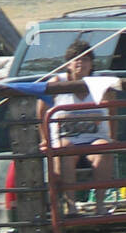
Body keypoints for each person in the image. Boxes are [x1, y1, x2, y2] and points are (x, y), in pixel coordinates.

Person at [38, 40, 116, 214]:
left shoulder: (99, 84)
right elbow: (41, 109)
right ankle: (71, 205)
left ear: (92, 63)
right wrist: (45, 139)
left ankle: (100, 204)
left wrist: (112, 136)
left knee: (104, 148)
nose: (80, 63)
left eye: (86, 59)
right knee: (66, 149)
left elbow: (113, 109)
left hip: (93, 139)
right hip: (65, 141)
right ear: (68, 64)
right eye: (75, 59)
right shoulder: (57, 83)